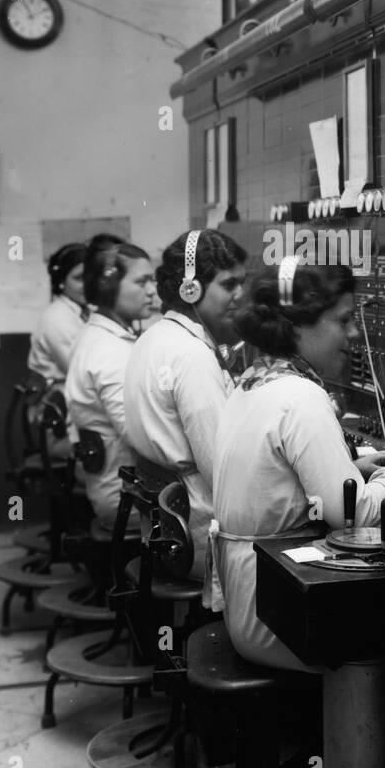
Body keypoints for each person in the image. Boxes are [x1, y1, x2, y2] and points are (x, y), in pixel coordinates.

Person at [210, 259, 385, 671]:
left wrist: (352, 469)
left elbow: (285, 483)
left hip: (256, 600)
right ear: (298, 324)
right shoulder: (300, 396)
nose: (352, 336)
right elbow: (357, 514)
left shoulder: (254, 381)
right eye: (344, 320)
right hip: (277, 618)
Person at [124, 229, 247, 586]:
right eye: (229, 284)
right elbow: (222, 473)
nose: (241, 295)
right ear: (190, 288)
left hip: (166, 535)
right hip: (200, 539)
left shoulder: (153, 338)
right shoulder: (191, 356)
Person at [64, 241, 155, 528]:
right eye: (142, 282)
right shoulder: (109, 352)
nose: (152, 290)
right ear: (109, 287)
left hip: (115, 486)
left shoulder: (103, 336)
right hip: (124, 498)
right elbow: (139, 437)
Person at [27, 243, 86, 386]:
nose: (86, 284)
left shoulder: (83, 310)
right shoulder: (57, 318)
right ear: (61, 281)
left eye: (90, 277)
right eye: (78, 278)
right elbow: (80, 370)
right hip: (57, 398)